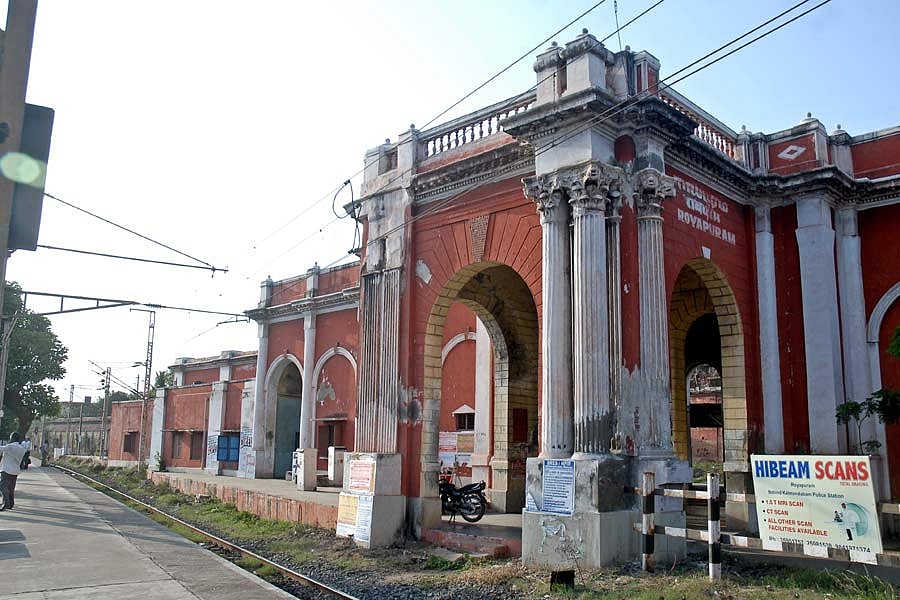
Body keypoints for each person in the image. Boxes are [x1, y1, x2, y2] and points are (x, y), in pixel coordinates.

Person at [0, 433, 28, 511]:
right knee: (11, 488)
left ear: (12, 438)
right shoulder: (22, 448)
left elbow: (0, 448)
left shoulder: (10, 446)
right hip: (15, 471)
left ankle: (6, 503)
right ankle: (11, 504)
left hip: (6, 470)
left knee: (2, 486)